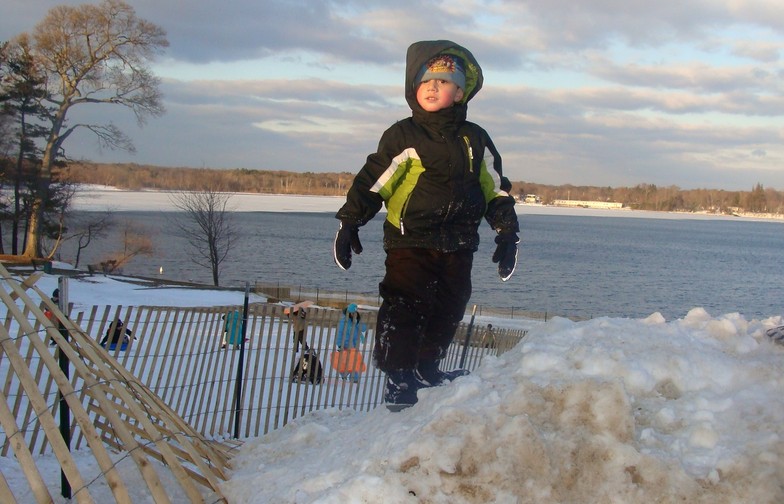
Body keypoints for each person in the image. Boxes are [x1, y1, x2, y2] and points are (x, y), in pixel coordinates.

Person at [332, 40, 520, 411]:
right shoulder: (404, 135)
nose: (433, 87)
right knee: (405, 305)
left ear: (461, 91)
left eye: (444, 80)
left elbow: (494, 187)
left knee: (449, 305)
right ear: (413, 88)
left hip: (459, 243)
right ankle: (399, 378)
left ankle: (427, 368)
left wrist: (507, 230)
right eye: (426, 81)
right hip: (410, 241)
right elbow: (375, 179)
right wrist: (351, 221)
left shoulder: (475, 138)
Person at [334, 303, 367, 382]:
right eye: (352, 313)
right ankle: (347, 375)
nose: (353, 314)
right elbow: (339, 333)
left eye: (355, 313)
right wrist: (339, 345)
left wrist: (357, 322)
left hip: (355, 345)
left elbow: (364, 329)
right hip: (345, 345)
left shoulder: (356, 320)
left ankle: (352, 377)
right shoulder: (344, 321)